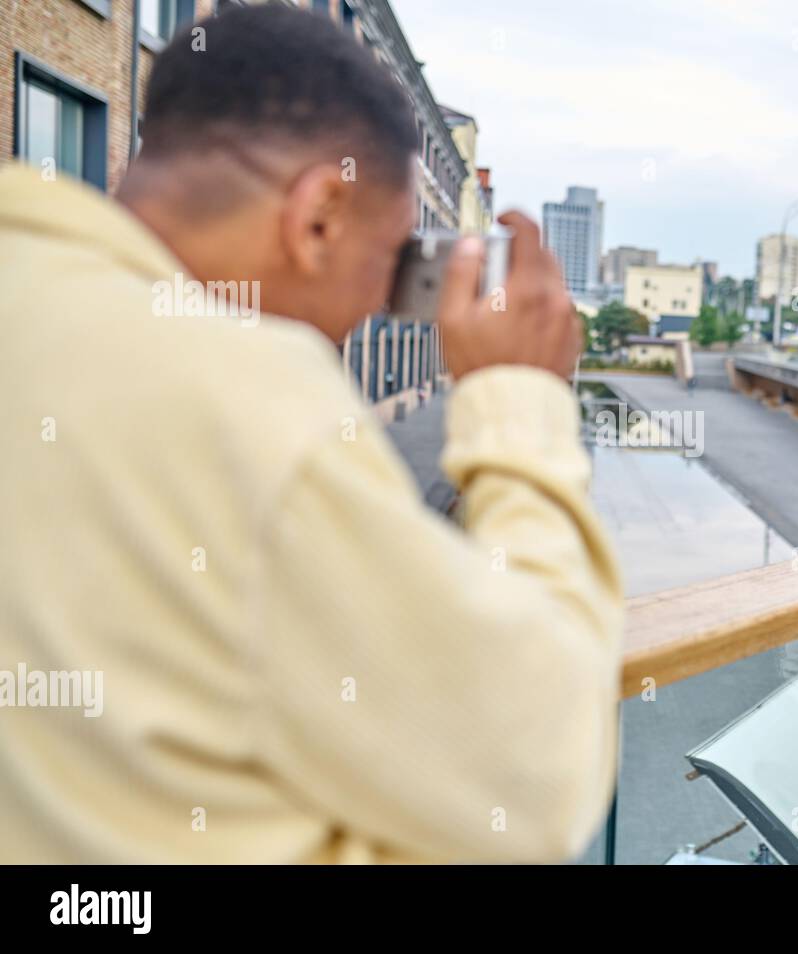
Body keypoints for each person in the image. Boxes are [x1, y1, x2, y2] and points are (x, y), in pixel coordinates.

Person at [0, 4, 622, 863]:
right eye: (395, 255)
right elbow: (539, 778)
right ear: (320, 214)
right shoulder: (250, 397)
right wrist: (520, 401)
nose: (381, 304)